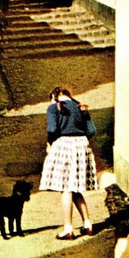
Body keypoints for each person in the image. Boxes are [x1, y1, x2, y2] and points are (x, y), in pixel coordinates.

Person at [39, 84, 97, 239]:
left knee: (65, 188)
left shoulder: (53, 108)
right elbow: (91, 131)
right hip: (82, 146)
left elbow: (52, 130)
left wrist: (51, 143)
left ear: (53, 97)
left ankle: (68, 228)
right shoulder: (80, 107)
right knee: (76, 189)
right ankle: (88, 224)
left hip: (64, 145)